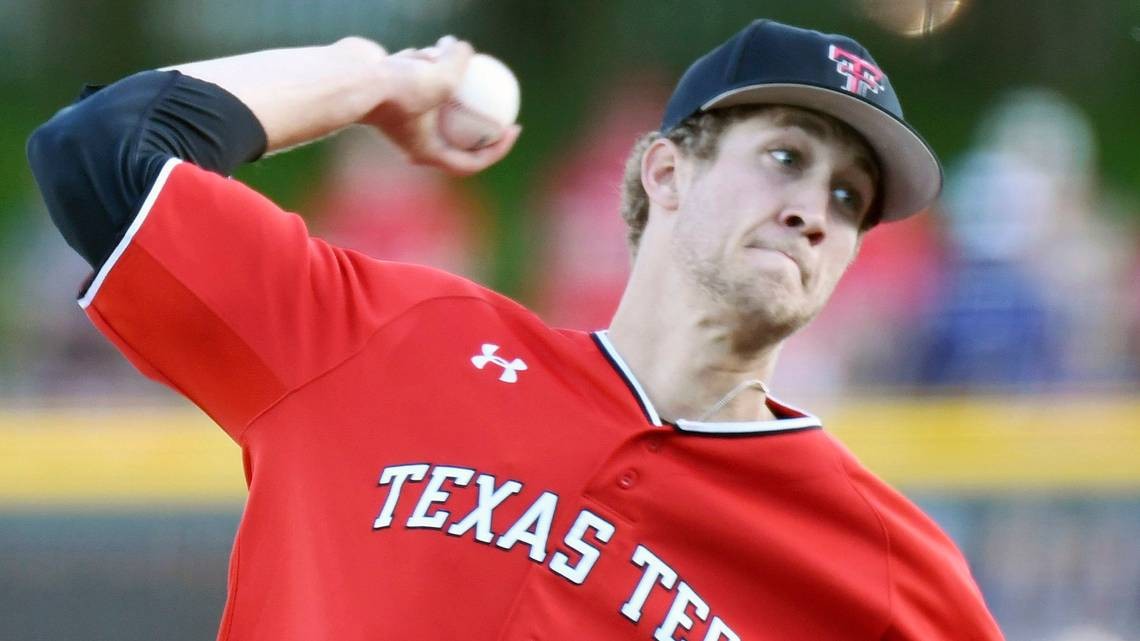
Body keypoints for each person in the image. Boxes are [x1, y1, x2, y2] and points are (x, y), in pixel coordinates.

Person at [27, 19, 1004, 641]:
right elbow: (102, 152)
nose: (814, 209)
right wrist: (369, 80)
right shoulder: (398, 341)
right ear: (664, 172)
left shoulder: (880, 564)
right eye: (784, 156)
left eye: (849, 194)